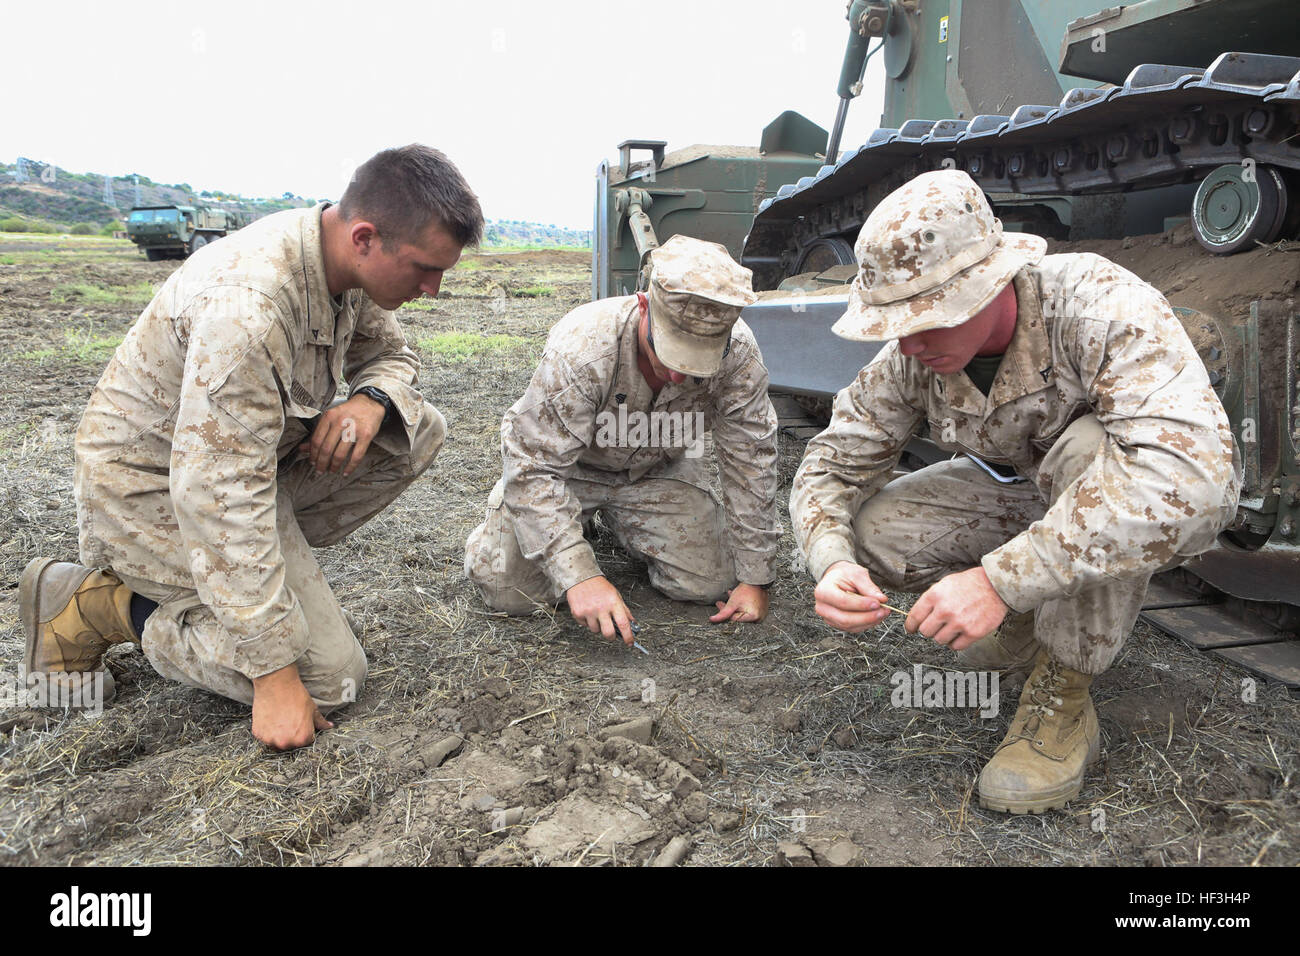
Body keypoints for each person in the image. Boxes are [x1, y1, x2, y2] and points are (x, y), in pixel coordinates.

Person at [789, 169, 1240, 813]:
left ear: (994, 281)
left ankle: (1064, 694)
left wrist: (998, 581)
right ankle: (1031, 628)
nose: (909, 342)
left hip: (1131, 496)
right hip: (1034, 498)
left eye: (930, 318)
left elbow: (1189, 480)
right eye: (895, 322)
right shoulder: (912, 357)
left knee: (1090, 453)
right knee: (875, 531)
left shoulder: (1097, 304)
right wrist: (830, 562)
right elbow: (832, 465)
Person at [21, 144, 483, 751]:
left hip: (245, 473)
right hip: (151, 492)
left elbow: (392, 356)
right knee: (329, 683)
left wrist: (370, 399)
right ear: (366, 236)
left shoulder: (346, 261)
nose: (433, 288)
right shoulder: (250, 309)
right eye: (426, 269)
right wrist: (272, 672)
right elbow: (217, 493)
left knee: (414, 427)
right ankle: (98, 605)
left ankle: (260, 572)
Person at [465, 235, 780, 644]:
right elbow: (534, 465)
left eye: (699, 360)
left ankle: (617, 523)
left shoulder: (739, 355)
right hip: (568, 473)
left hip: (656, 472)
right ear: (643, 305)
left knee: (712, 583)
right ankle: (529, 517)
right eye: (669, 352)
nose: (679, 377)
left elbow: (751, 461)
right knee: (509, 591)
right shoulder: (582, 348)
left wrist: (756, 578)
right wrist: (580, 576)